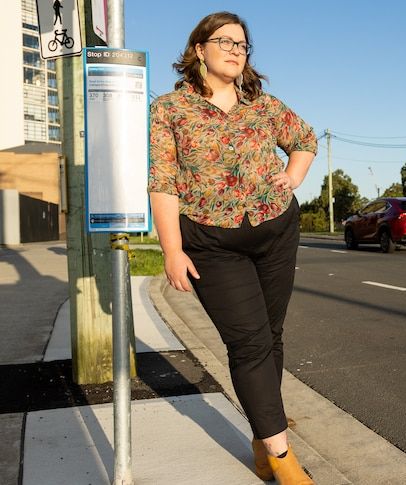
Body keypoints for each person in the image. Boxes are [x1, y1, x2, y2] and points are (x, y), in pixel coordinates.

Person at [148, 11, 316, 485]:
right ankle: (283, 458)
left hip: (275, 228)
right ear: (198, 49)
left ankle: (264, 444)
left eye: (243, 45)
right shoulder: (170, 110)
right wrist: (171, 250)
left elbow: (304, 140)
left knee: (272, 336)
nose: (236, 51)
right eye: (225, 42)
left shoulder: (262, 104)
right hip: (210, 240)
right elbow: (162, 183)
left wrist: (293, 176)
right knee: (249, 341)